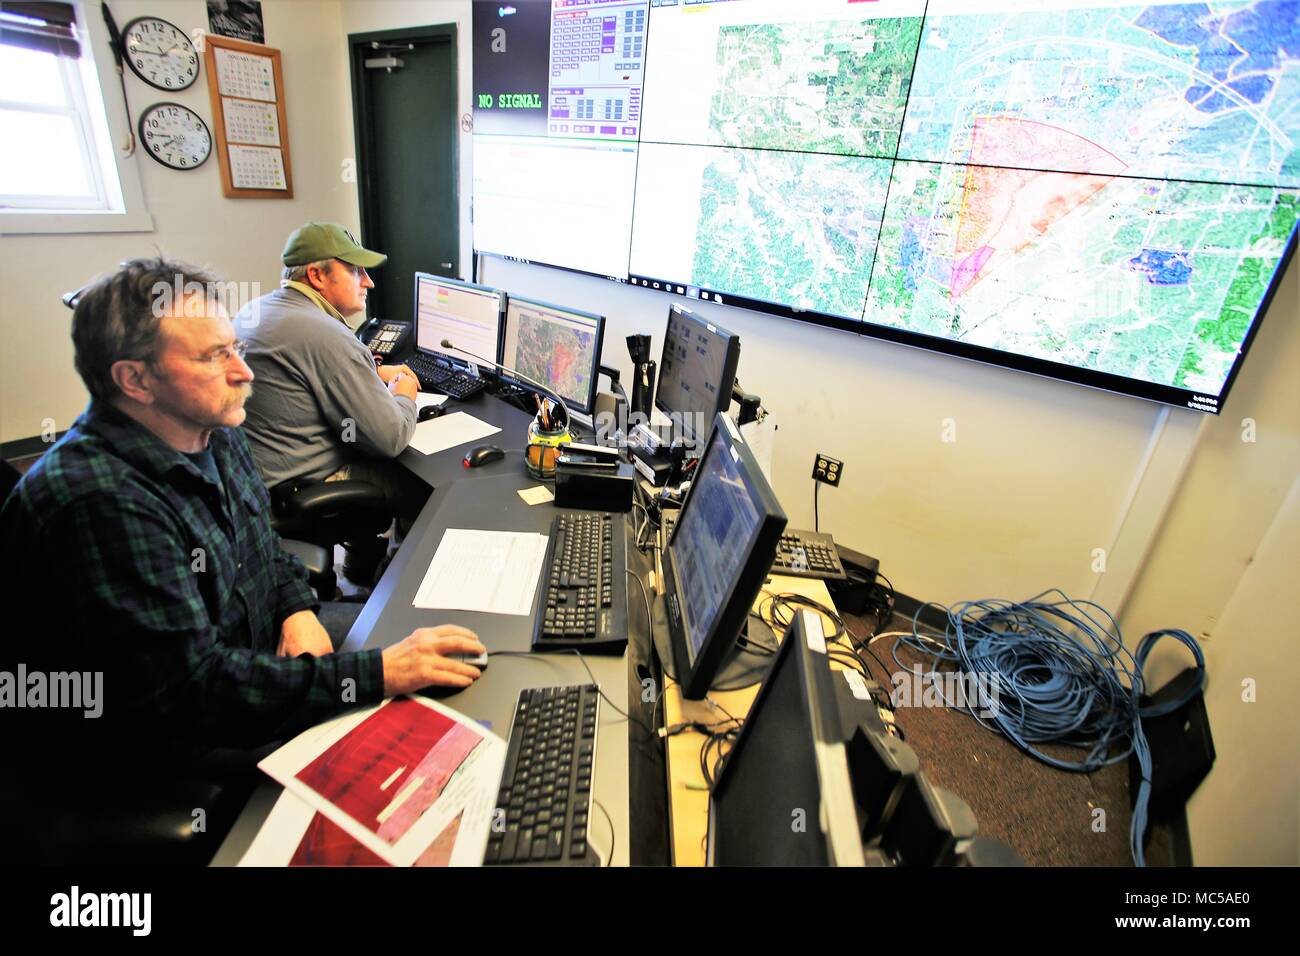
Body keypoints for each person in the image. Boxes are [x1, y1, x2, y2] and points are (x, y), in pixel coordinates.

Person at [0, 258, 484, 853]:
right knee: (421, 772)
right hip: (169, 744)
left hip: (252, 651)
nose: (243, 372)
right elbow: (194, 693)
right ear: (134, 380)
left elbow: (263, 545)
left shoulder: (211, 427)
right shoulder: (99, 501)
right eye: (213, 357)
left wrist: (295, 609)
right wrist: (374, 673)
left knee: (450, 655)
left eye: (235, 347)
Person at [234, 223, 429, 548]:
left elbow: (304, 374)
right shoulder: (326, 334)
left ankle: (361, 562)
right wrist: (405, 395)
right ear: (317, 275)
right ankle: (393, 582)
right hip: (302, 487)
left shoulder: (258, 310)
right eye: (355, 271)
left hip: (256, 483)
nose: (369, 281)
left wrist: (370, 372)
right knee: (425, 487)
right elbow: (390, 438)